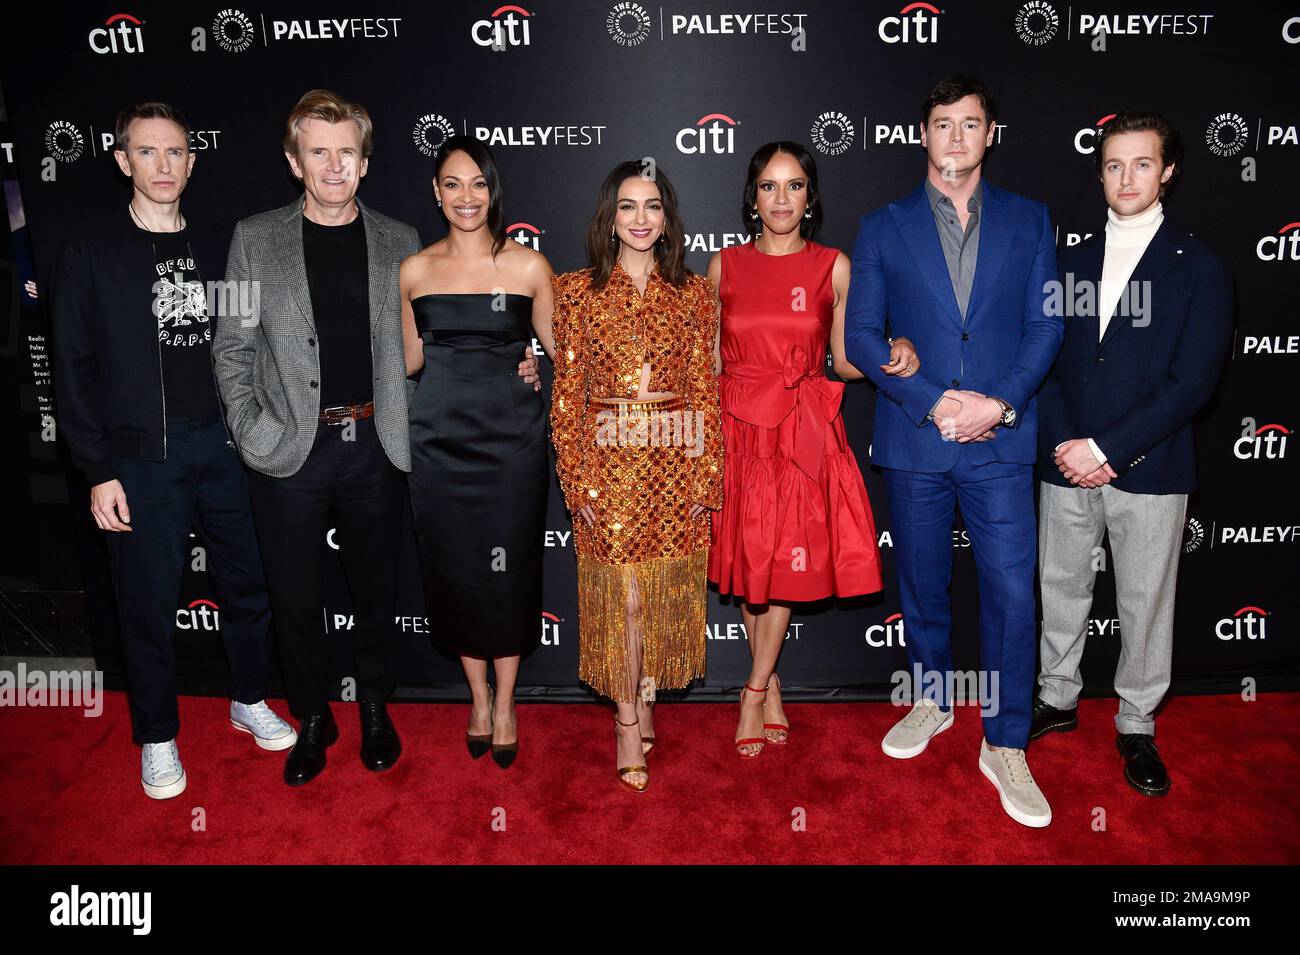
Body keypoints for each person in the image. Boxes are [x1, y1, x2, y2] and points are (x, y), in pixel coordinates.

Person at [50, 100, 293, 801]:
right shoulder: (91, 251)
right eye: (148, 152)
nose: (164, 165)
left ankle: (249, 698)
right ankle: (157, 736)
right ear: (123, 160)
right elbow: (73, 369)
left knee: (248, 584)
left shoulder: (222, 244)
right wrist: (98, 470)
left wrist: (260, 430)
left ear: (192, 161)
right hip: (140, 457)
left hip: (224, 445)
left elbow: (252, 343)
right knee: (148, 602)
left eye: (176, 152)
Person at [845, 75, 1063, 827]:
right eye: (944, 124)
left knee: (1011, 594)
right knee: (922, 585)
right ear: (924, 134)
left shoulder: (1032, 222)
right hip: (917, 437)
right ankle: (933, 699)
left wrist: (997, 404)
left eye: (971, 124)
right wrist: (936, 400)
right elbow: (863, 337)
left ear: (990, 134)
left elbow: (1046, 329)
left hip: (1001, 439)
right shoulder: (882, 225)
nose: (957, 137)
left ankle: (1004, 741)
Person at [1031, 111, 1232, 797]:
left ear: (1167, 170)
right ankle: (1056, 698)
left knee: (1146, 600)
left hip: (1150, 466)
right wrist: (1068, 444)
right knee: (1059, 583)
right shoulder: (1071, 261)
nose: (1126, 177)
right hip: (1065, 462)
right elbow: (1049, 361)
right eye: (1114, 164)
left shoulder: (1199, 268)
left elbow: (1194, 382)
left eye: (1141, 164)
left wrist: (1107, 449)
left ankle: (1137, 722)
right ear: (1100, 171)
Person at [707, 141, 915, 758]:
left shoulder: (833, 266)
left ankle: (749, 691)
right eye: (769, 186)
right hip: (740, 429)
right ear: (752, 197)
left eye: (794, 186)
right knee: (750, 571)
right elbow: (712, 359)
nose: (781, 198)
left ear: (810, 197)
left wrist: (895, 346)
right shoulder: (724, 267)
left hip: (800, 430)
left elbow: (847, 359)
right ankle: (770, 684)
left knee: (776, 567)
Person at [549, 160, 723, 793]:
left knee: (652, 603)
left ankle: (644, 693)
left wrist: (707, 481)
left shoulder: (695, 294)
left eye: (653, 206)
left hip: (676, 465)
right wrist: (579, 483)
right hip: (609, 466)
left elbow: (705, 391)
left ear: (668, 217)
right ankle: (626, 721)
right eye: (628, 206)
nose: (641, 218)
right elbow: (567, 397)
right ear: (610, 217)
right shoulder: (576, 293)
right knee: (622, 601)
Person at [400, 135, 552, 769]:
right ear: (436, 193)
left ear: (494, 191)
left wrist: (539, 369)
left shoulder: (527, 267)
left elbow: (567, 356)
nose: (467, 196)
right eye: (453, 184)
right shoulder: (413, 271)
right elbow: (406, 362)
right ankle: (478, 698)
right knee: (457, 572)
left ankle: (509, 700)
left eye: (478, 184)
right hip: (437, 440)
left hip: (512, 442)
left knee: (511, 570)